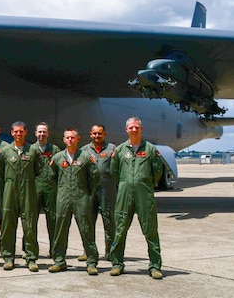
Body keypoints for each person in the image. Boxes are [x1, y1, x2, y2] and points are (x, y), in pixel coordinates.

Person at [109, 117, 164, 279]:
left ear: (141, 129)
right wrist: (127, 183)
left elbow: (157, 171)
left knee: (150, 230)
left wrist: (144, 184)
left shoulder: (151, 149)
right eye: (131, 127)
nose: (134, 130)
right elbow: (115, 172)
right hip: (124, 193)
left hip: (144, 194)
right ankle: (117, 264)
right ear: (126, 130)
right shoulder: (119, 150)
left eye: (136, 127)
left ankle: (155, 266)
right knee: (119, 229)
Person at [48, 128, 100, 274]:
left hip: (81, 197)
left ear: (78, 139)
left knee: (86, 229)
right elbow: (51, 177)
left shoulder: (86, 157)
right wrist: (61, 190)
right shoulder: (57, 158)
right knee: (60, 229)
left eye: (73, 137)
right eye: (67, 137)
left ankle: (91, 262)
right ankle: (59, 261)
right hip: (63, 197)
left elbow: (94, 177)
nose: (70, 140)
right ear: (64, 140)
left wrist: (86, 192)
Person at [0, 121, 43, 271]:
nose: (18, 134)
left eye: (21, 131)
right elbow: (0, 171)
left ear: (26, 132)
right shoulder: (5, 151)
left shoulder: (33, 151)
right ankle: (8, 257)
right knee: (8, 225)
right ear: (11, 133)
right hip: (10, 191)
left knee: (29, 225)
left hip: (28, 191)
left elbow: (38, 169)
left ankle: (31, 258)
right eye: (16, 131)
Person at [81, 124, 117, 262]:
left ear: (104, 134)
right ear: (90, 134)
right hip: (90, 191)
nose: (97, 136)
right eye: (94, 134)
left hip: (107, 190)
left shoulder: (112, 149)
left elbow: (118, 168)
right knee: (88, 222)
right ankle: (88, 251)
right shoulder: (84, 150)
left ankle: (110, 252)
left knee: (109, 221)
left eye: (100, 134)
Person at [31, 122, 60, 256]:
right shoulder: (30, 149)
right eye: (39, 132)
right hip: (34, 188)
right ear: (35, 133)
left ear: (48, 133)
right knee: (31, 220)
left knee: (53, 220)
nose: (42, 134)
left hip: (50, 188)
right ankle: (30, 250)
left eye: (44, 132)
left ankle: (54, 250)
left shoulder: (55, 150)